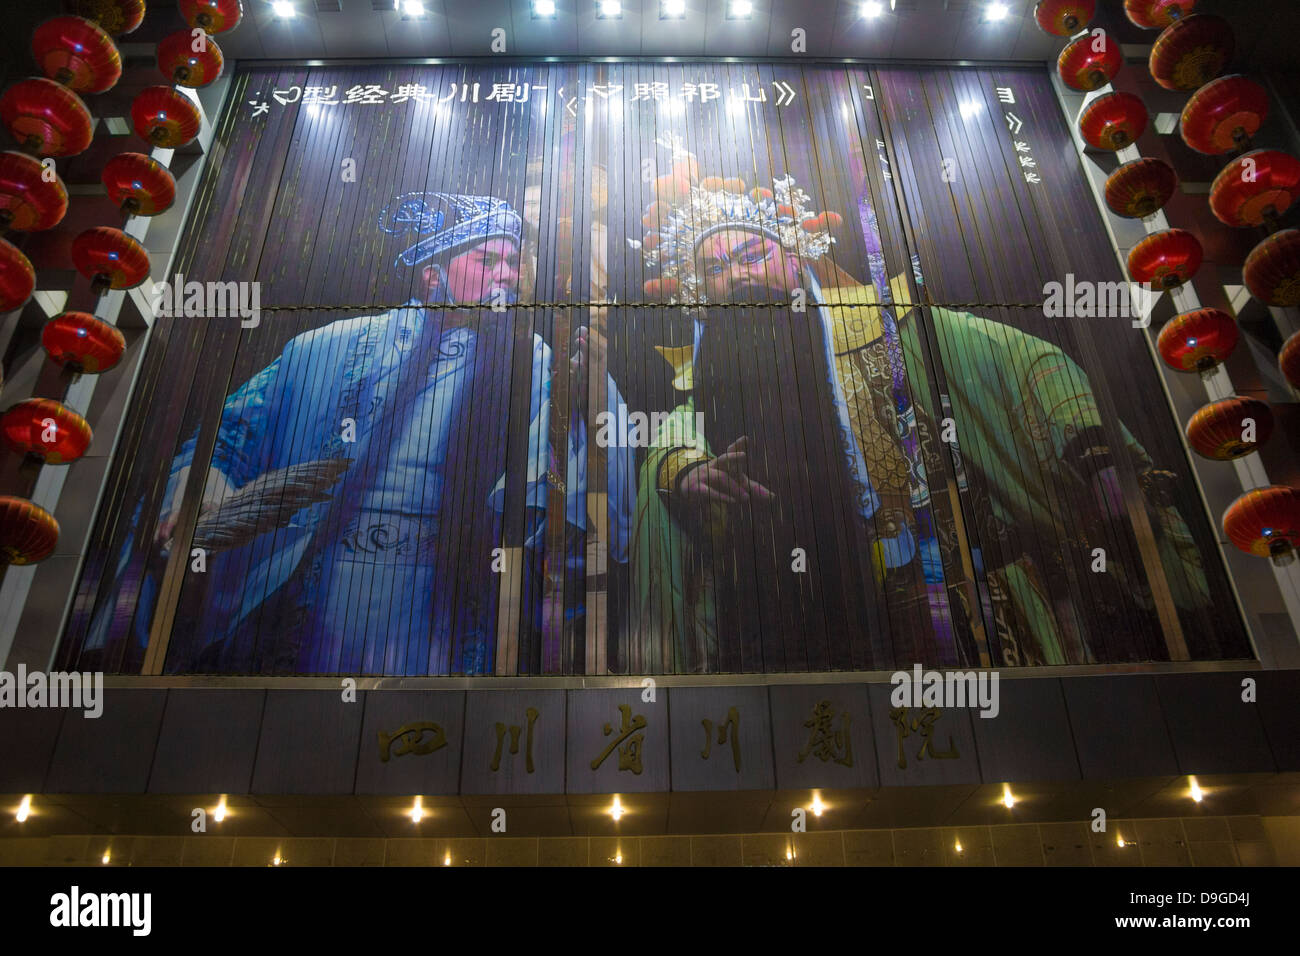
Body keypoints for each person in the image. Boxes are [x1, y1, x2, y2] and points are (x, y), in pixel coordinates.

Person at [632, 169, 1212, 673]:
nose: (736, 275)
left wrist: (1089, 445)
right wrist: (683, 473)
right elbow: (678, 434)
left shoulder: (886, 328)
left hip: (952, 587)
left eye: (752, 255)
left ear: (791, 254)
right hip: (800, 602)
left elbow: (1016, 361)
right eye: (715, 267)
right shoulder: (711, 370)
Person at [154, 191, 635, 675]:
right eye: (487, 260)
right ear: (433, 275)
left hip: (449, 589)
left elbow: (578, 456)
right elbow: (228, 437)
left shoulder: (532, 360)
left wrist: (593, 392)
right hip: (327, 578)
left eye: (513, 262)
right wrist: (200, 490)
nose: (507, 274)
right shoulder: (331, 348)